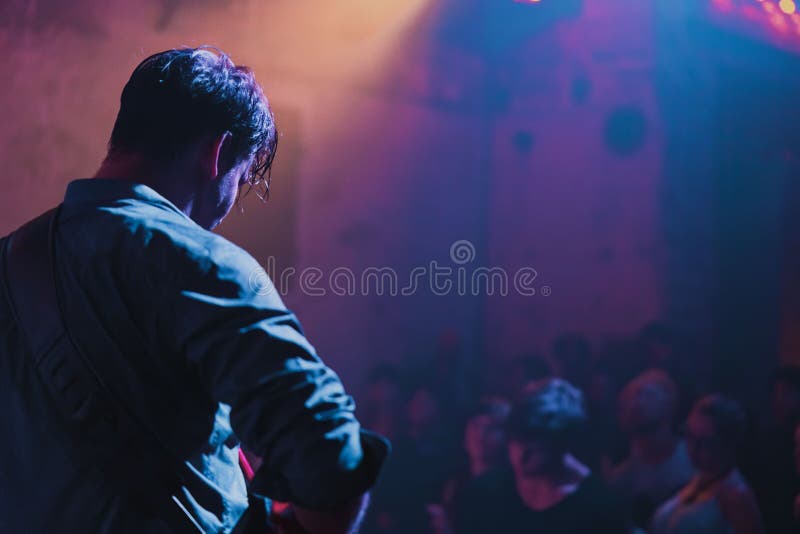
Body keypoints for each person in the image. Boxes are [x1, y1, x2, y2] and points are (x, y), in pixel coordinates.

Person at [0, 46, 387, 533]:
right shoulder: (206, 265)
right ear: (216, 153)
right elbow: (331, 460)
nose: (231, 202)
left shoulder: (10, 259)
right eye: (241, 177)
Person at [455, 379, 629, 534]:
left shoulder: (598, 507)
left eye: (533, 445)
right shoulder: (485, 493)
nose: (522, 454)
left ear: (561, 442)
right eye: (517, 441)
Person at [652, 395, 763, 534]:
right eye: (690, 436)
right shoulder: (696, 481)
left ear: (726, 444)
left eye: (705, 442)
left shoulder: (735, 495)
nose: (693, 449)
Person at [608, 369, 694, 530]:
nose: (634, 403)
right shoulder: (619, 476)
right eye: (627, 398)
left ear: (669, 402)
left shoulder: (697, 459)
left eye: (644, 394)